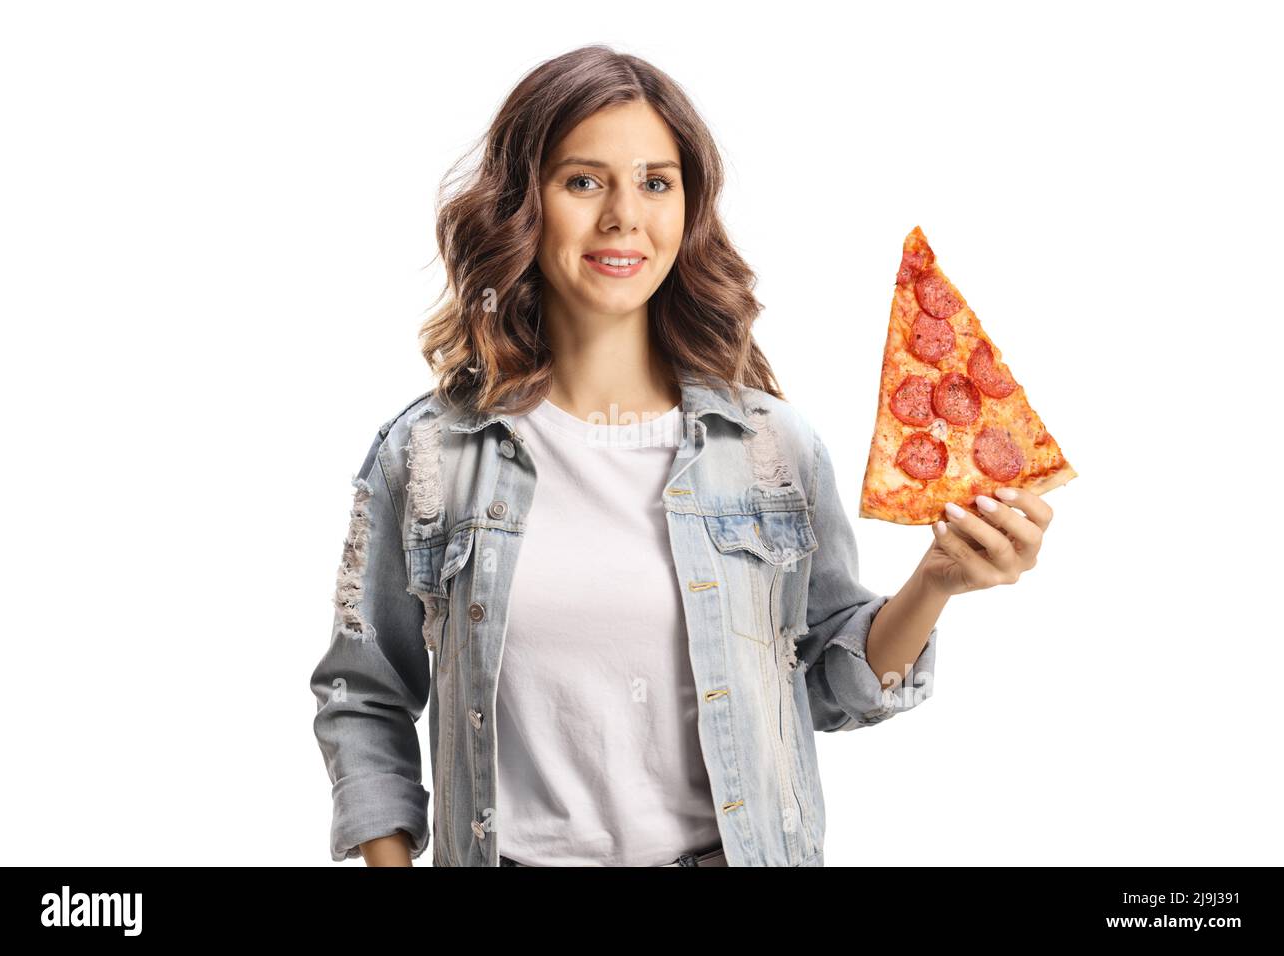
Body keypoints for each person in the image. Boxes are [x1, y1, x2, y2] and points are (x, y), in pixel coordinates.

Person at [309, 44, 1053, 867]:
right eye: (584, 181)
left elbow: (829, 687)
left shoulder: (771, 446)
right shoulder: (426, 456)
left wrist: (936, 582)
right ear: (525, 204)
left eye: (656, 182)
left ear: (687, 210)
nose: (625, 215)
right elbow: (364, 694)